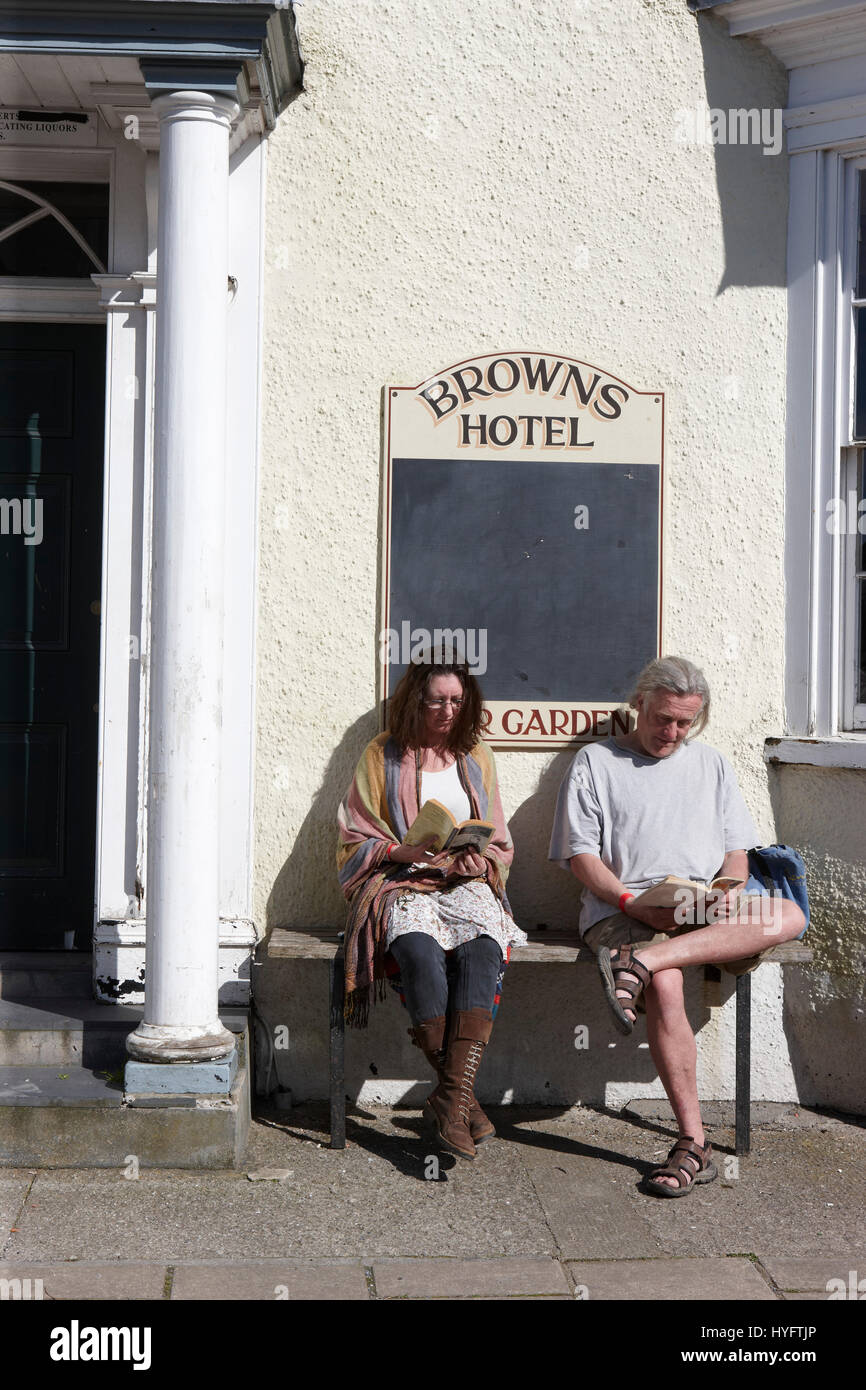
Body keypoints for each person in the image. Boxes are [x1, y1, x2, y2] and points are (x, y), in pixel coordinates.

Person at [549, 656, 806, 1197]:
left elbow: (736, 853)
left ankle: (643, 963)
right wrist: (631, 902)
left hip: (698, 911)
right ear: (638, 704)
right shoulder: (596, 761)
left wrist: (724, 894)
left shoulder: (710, 764)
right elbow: (581, 858)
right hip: (623, 910)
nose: (671, 732)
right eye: (663, 718)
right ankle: (695, 1143)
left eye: (683, 723)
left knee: (788, 913)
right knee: (668, 987)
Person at [337, 656, 526, 1160]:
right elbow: (353, 833)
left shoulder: (476, 754)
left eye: (456, 701)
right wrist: (400, 850)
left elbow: (499, 836)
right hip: (402, 881)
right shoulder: (383, 755)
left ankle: (448, 1097)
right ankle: (461, 1099)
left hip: (463, 883)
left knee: (484, 950)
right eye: (436, 700)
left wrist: (475, 854)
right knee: (418, 953)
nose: (447, 710)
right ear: (414, 701)